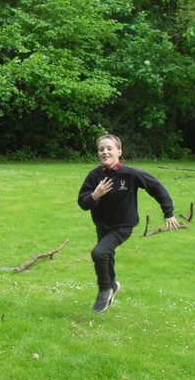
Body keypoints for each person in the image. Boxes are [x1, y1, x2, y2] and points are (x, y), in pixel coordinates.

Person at [77, 133, 180, 313]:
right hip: (102, 224)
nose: (105, 152)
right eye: (101, 149)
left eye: (109, 148)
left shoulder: (130, 174)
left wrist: (168, 212)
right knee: (105, 254)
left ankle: (105, 289)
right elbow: (83, 202)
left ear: (119, 151)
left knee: (99, 252)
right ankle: (113, 285)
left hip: (123, 225)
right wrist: (96, 194)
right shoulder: (94, 176)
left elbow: (155, 186)